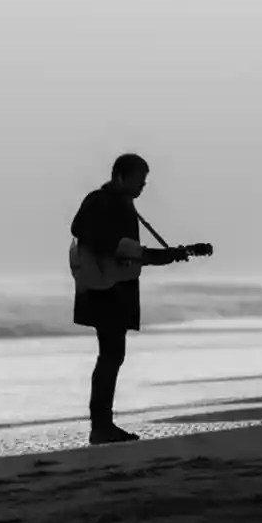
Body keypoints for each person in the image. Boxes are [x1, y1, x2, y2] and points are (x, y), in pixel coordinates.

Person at [70, 153, 187, 445]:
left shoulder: (121, 204)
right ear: (120, 177)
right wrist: (124, 251)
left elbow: (128, 252)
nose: (142, 187)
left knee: (112, 355)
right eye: (138, 181)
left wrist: (161, 255)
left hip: (115, 289)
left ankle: (102, 425)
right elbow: (82, 230)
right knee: (111, 356)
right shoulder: (100, 201)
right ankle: (101, 427)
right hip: (104, 290)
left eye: (144, 183)